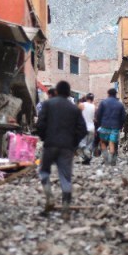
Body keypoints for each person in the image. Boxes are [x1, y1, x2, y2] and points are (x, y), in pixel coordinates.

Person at [35, 81, 87, 220]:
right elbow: (82, 129)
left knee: (44, 172)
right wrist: (73, 143)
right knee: (65, 177)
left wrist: (44, 137)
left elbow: (40, 124)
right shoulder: (74, 109)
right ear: (69, 93)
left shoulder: (48, 104)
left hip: (50, 144)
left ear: (57, 91)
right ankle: (65, 209)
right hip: (67, 148)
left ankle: (49, 197)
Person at [95, 88, 127, 166]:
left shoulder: (103, 103)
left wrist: (99, 124)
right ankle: (112, 160)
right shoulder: (120, 104)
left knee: (103, 142)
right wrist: (120, 126)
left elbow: (98, 115)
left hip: (104, 126)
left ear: (108, 94)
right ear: (115, 94)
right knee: (113, 143)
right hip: (115, 127)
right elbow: (123, 117)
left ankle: (106, 158)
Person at [77, 93, 96, 165]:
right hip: (92, 128)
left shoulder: (81, 105)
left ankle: (87, 154)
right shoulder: (94, 107)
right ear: (92, 99)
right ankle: (86, 160)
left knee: (80, 143)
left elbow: (76, 115)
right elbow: (94, 119)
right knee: (89, 145)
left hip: (83, 128)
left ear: (86, 98)